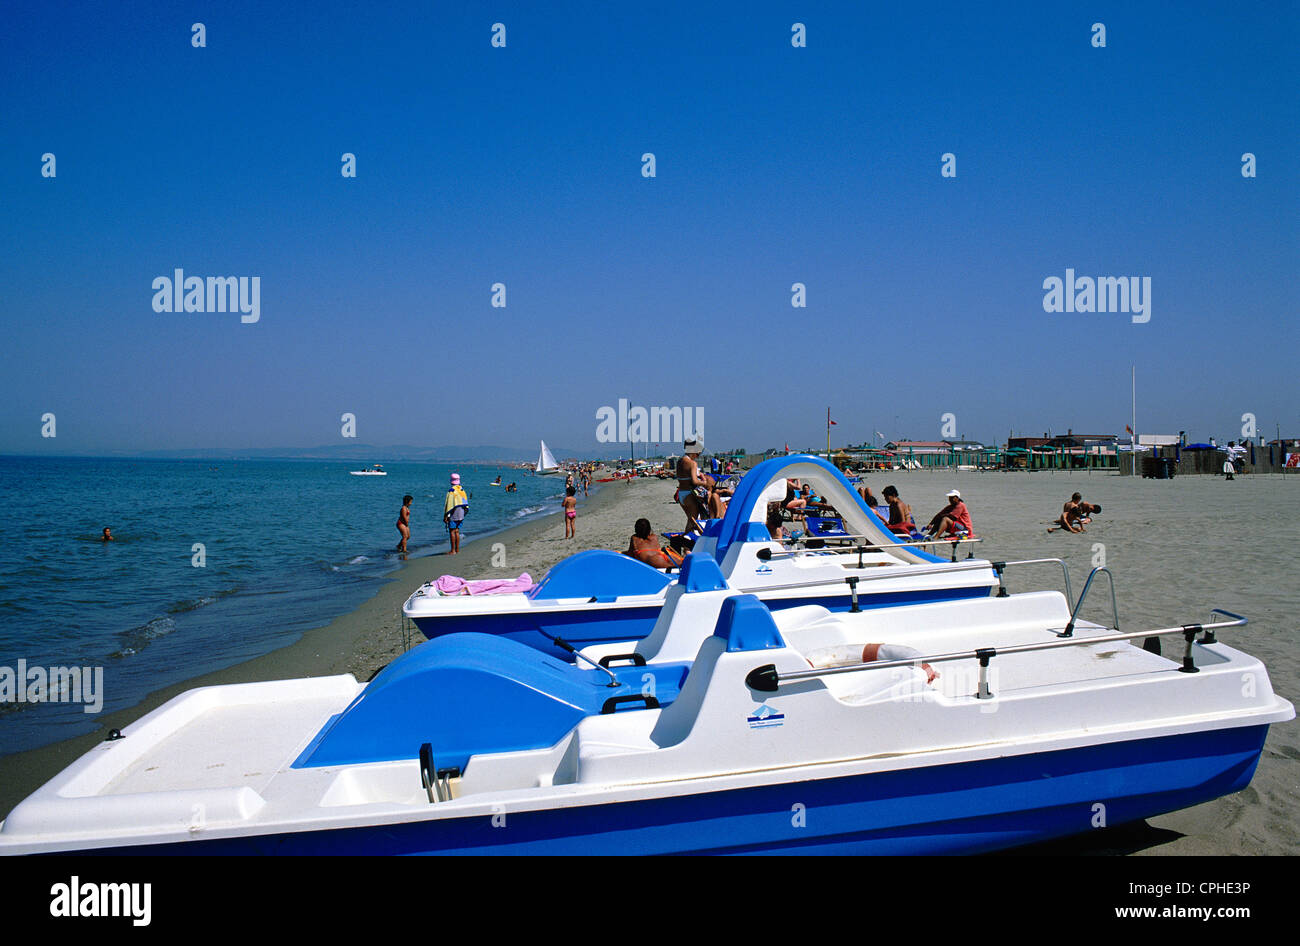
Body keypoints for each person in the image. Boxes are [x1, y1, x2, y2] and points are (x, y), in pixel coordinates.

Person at [675, 438, 710, 532]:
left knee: (691, 520)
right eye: (698, 453)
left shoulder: (679, 461)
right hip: (689, 494)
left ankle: (688, 542)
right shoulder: (692, 463)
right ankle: (687, 544)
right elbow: (694, 481)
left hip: (681, 494)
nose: (697, 456)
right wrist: (704, 482)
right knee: (692, 521)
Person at [443, 474, 469, 554]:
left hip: (454, 513)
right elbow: (465, 502)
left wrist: (446, 515)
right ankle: (457, 549)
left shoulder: (452, 490)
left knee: (452, 531)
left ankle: (452, 550)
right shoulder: (461, 489)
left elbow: (449, 504)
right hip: (461, 513)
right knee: (457, 531)